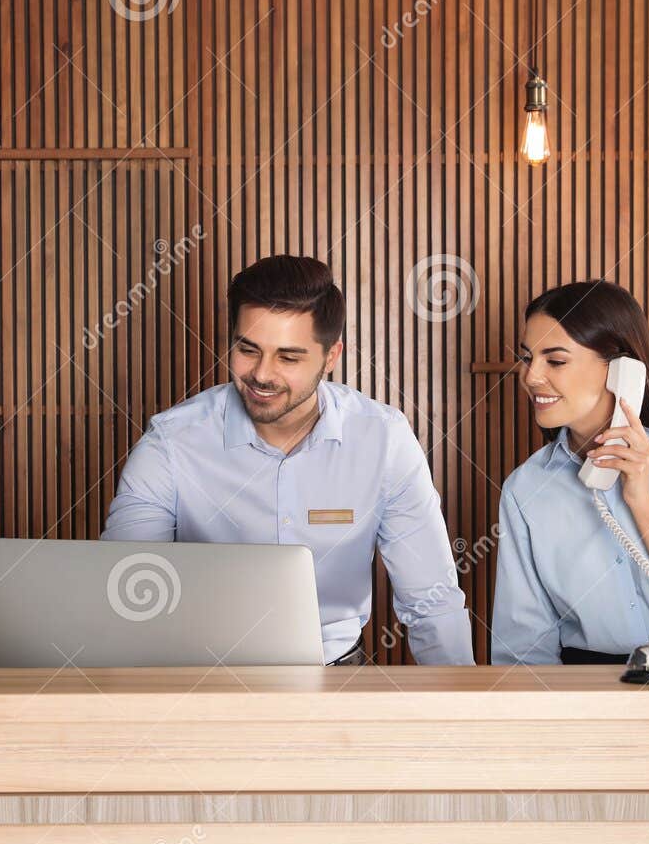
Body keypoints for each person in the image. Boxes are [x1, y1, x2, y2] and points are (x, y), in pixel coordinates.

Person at [102, 255, 473, 666]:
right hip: (201, 676)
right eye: (248, 350)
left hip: (337, 674)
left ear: (331, 357)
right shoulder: (172, 442)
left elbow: (431, 602)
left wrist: (461, 719)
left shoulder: (383, 439)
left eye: (289, 357)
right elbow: (124, 587)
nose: (262, 374)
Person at [490, 281, 649, 665]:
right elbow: (523, 648)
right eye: (529, 358)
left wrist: (641, 503)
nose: (530, 377)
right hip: (581, 687)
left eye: (555, 360)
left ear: (621, 370)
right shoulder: (525, 488)